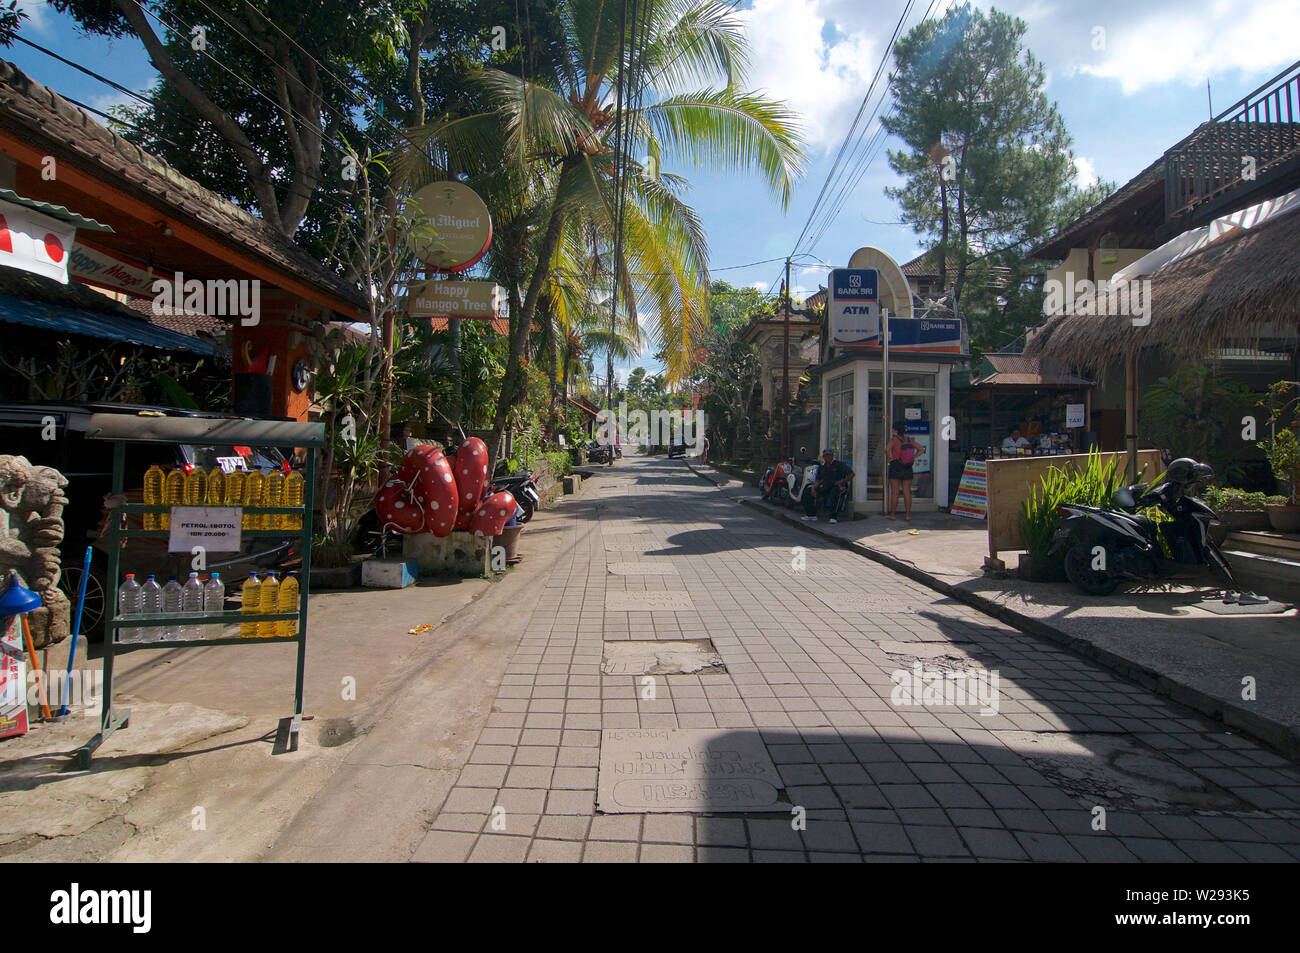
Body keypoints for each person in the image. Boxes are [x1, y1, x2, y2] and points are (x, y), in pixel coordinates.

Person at [802, 448, 853, 524]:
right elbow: (818, 479)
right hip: (825, 486)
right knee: (807, 491)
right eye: (825, 456)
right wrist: (813, 488)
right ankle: (811, 514)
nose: (827, 457)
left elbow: (851, 474)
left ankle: (833, 516)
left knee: (835, 492)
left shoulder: (839, 464)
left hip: (836, 486)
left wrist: (842, 481)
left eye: (829, 456)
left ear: (832, 456)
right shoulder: (822, 467)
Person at [886, 423, 924, 521]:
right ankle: (907, 515)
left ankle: (893, 515)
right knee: (907, 492)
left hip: (896, 465)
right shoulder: (909, 440)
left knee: (895, 492)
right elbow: (921, 449)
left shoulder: (893, 440)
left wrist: (890, 458)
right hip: (907, 467)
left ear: (895, 430)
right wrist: (913, 457)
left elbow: (887, 449)